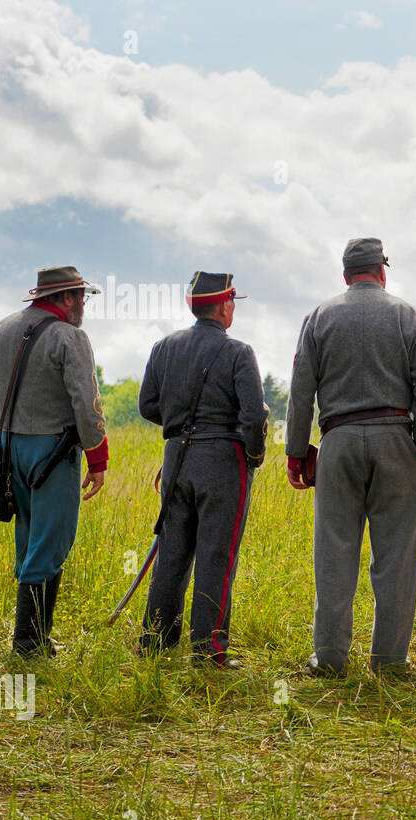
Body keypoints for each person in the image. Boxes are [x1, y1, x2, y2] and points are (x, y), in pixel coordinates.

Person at [286, 238, 416, 676]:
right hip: (397, 440)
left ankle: (329, 658)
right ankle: (389, 661)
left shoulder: (318, 317)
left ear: (345, 275)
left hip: (337, 441)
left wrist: (296, 454)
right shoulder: (409, 316)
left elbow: (301, 391)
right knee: (397, 558)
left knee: (334, 554)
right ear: (382, 271)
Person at [0, 265, 109, 656]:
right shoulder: (71, 337)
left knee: (29, 539)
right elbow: (87, 403)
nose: (83, 304)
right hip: (53, 453)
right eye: (80, 296)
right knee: (51, 543)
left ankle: (35, 639)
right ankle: (29, 643)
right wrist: (97, 456)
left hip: (9, 449)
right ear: (65, 297)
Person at [138, 271, 268, 667]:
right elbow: (253, 416)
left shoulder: (163, 347)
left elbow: (148, 406)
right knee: (216, 556)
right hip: (224, 462)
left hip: (175, 459)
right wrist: (254, 455)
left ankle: (156, 642)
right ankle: (208, 651)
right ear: (225, 305)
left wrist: (181, 428)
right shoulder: (239, 352)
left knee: (171, 553)